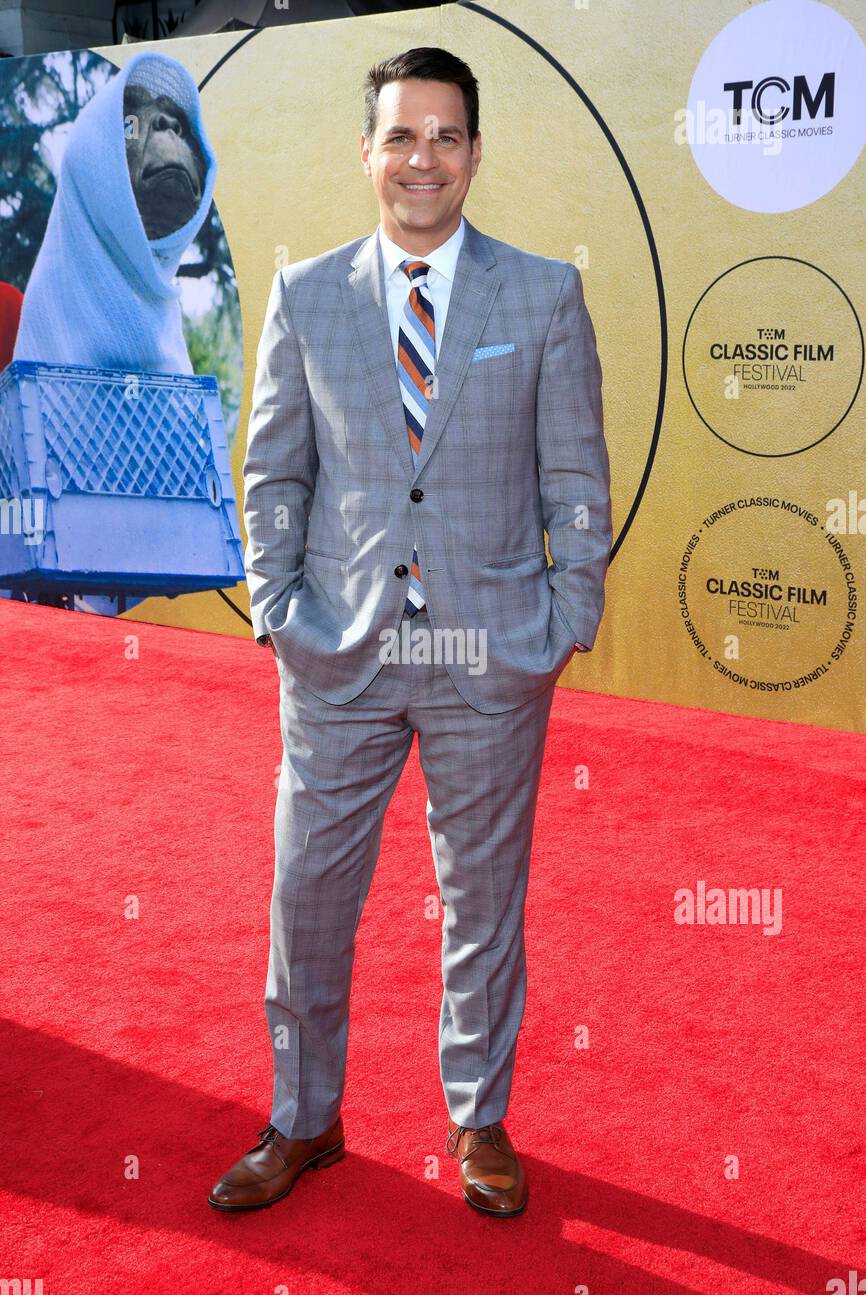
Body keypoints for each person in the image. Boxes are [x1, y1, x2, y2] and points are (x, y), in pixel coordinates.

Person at [209, 46, 612, 1218]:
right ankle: (303, 1118)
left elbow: (574, 482)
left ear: (475, 153)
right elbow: (272, 470)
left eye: (444, 135)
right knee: (306, 897)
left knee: (482, 902)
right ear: (367, 152)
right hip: (339, 653)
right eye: (400, 135)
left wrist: (563, 618)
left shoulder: (539, 295)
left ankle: (478, 1124)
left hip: (490, 655)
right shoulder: (307, 293)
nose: (421, 157)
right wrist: (278, 608)